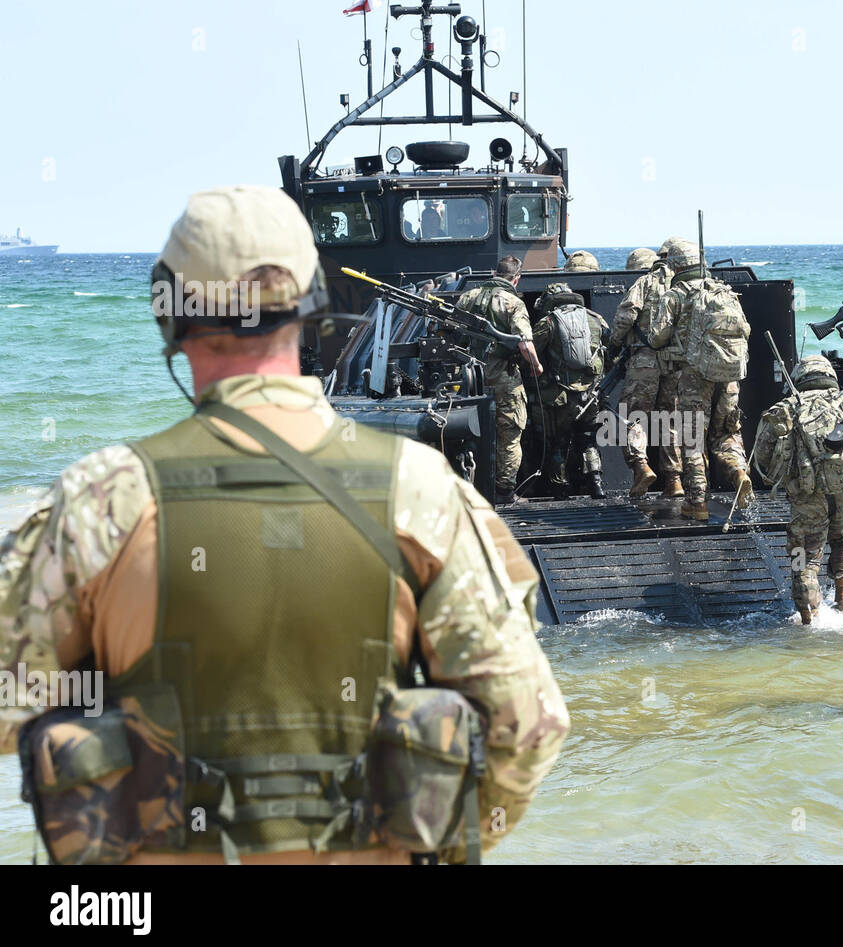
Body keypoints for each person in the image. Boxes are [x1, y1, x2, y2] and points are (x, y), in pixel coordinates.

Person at [0, 185, 569, 864]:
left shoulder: (101, 501)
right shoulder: (422, 493)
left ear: (171, 319)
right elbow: (527, 725)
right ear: (313, 305)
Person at [754, 354, 843, 624]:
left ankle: (808, 620)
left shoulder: (786, 409)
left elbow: (763, 460)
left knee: (803, 557)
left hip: (807, 493)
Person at [647, 238, 752, 521]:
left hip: (694, 376)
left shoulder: (675, 294)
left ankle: (696, 502)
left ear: (676, 265)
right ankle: (738, 472)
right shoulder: (723, 292)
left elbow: (657, 337)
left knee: (692, 438)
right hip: (729, 377)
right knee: (727, 432)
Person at [457, 255, 544, 504]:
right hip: (504, 379)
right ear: (516, 278)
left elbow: (454, 336)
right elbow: (525, 344)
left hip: (471, 378)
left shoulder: (467, 297)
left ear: (495, 274)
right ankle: (504, 492)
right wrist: (536, 366)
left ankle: (472, 487)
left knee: (472, 432)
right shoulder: (513, 303)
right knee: (509, 434)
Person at [607, 239, 684, 498]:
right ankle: (674, 481)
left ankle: (641, 467)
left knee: (630, 418)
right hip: (675, 364)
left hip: (644, 361)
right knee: (670, 421)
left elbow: (626, 315)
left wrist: (614, 344)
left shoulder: (646, 282)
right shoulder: (684, 286)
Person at [531, 282, 610, 498]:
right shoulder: (595, 319)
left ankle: (560, 489)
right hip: (591, 395)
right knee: (588, 439)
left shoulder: (548, 322)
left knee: (559, 441)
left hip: (560, 396)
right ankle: (596, 483)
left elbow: (529, 354)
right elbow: (610, 349)